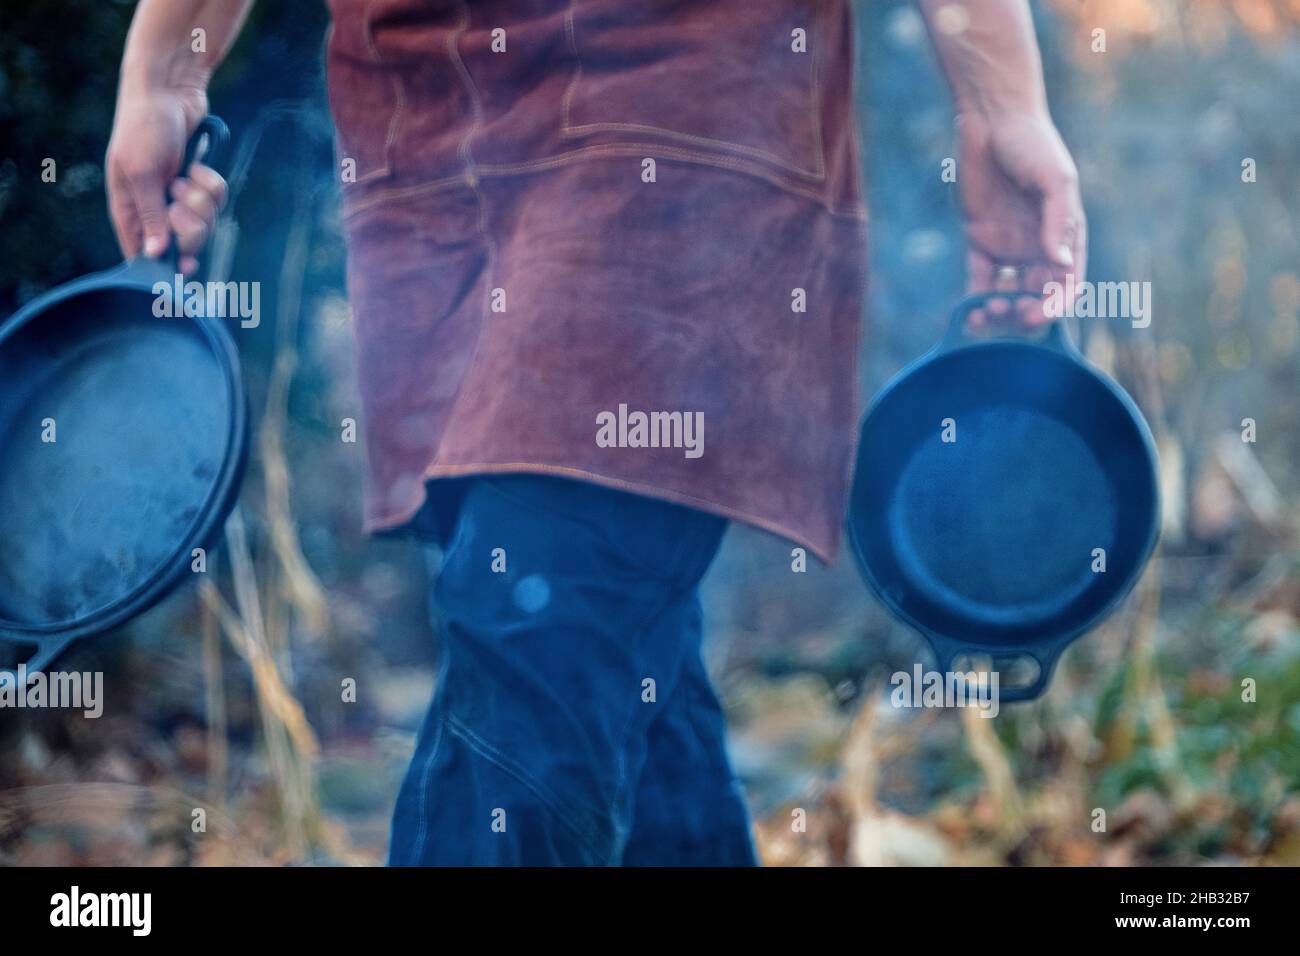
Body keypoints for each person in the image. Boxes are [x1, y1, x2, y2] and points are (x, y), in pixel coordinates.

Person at [107, 0, 1086, 865]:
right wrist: (163, 70)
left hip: (687, 89)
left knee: (547, 605)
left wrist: (1001, 109)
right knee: (608, 652)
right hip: (424, 113)